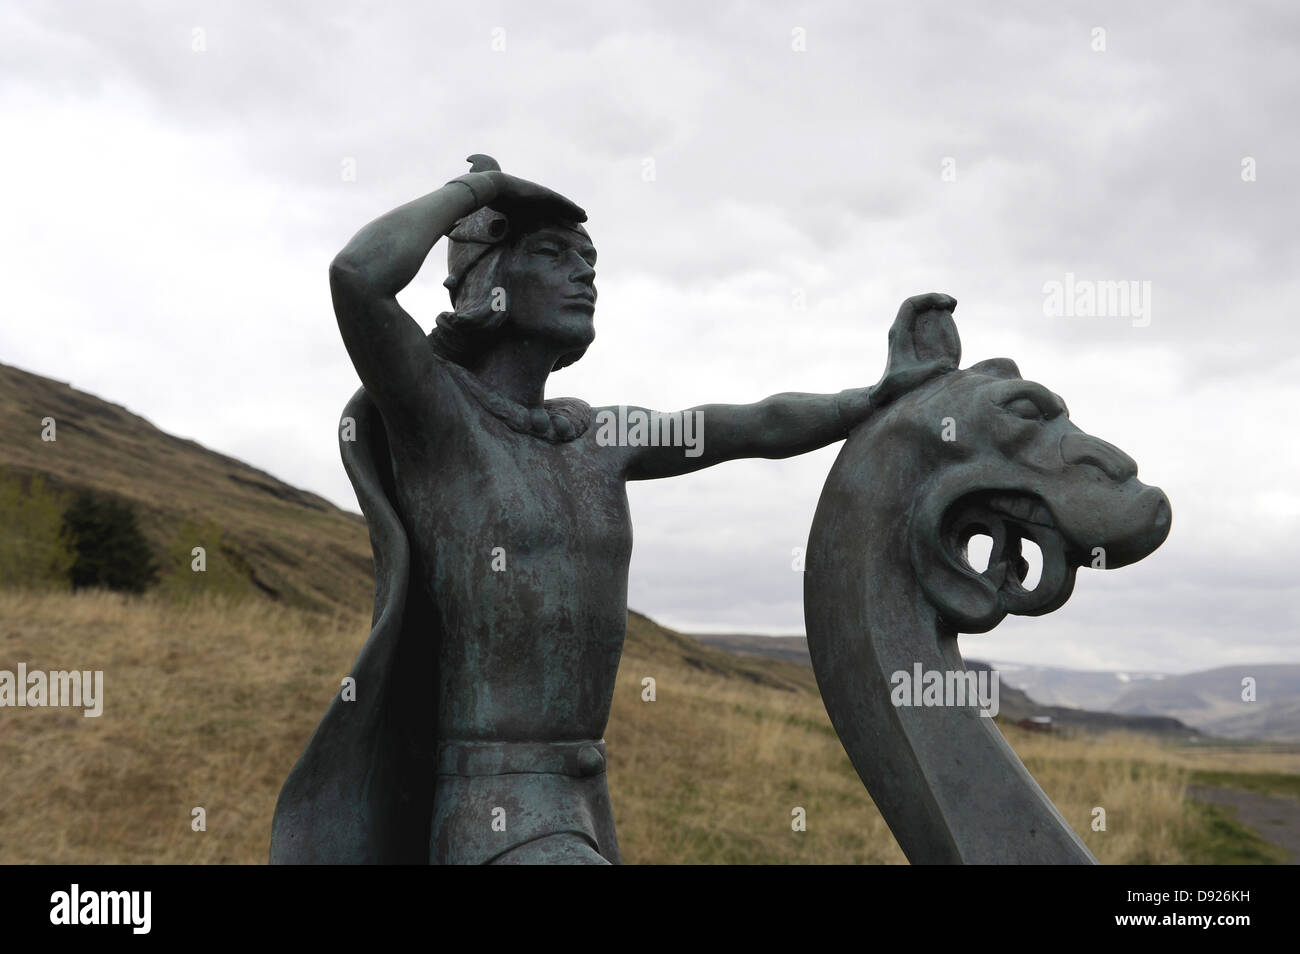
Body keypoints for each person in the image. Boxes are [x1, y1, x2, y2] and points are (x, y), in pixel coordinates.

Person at [269, 155, 953, 864]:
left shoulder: (599, 436)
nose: (584, 272)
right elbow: (357, 277)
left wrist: (871, 400)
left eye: (589, 259)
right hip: (493, 811)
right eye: (552, 254)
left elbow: (753, 424)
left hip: (584, 803)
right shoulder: (440, 417)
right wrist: (479, 192)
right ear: (488, 285)